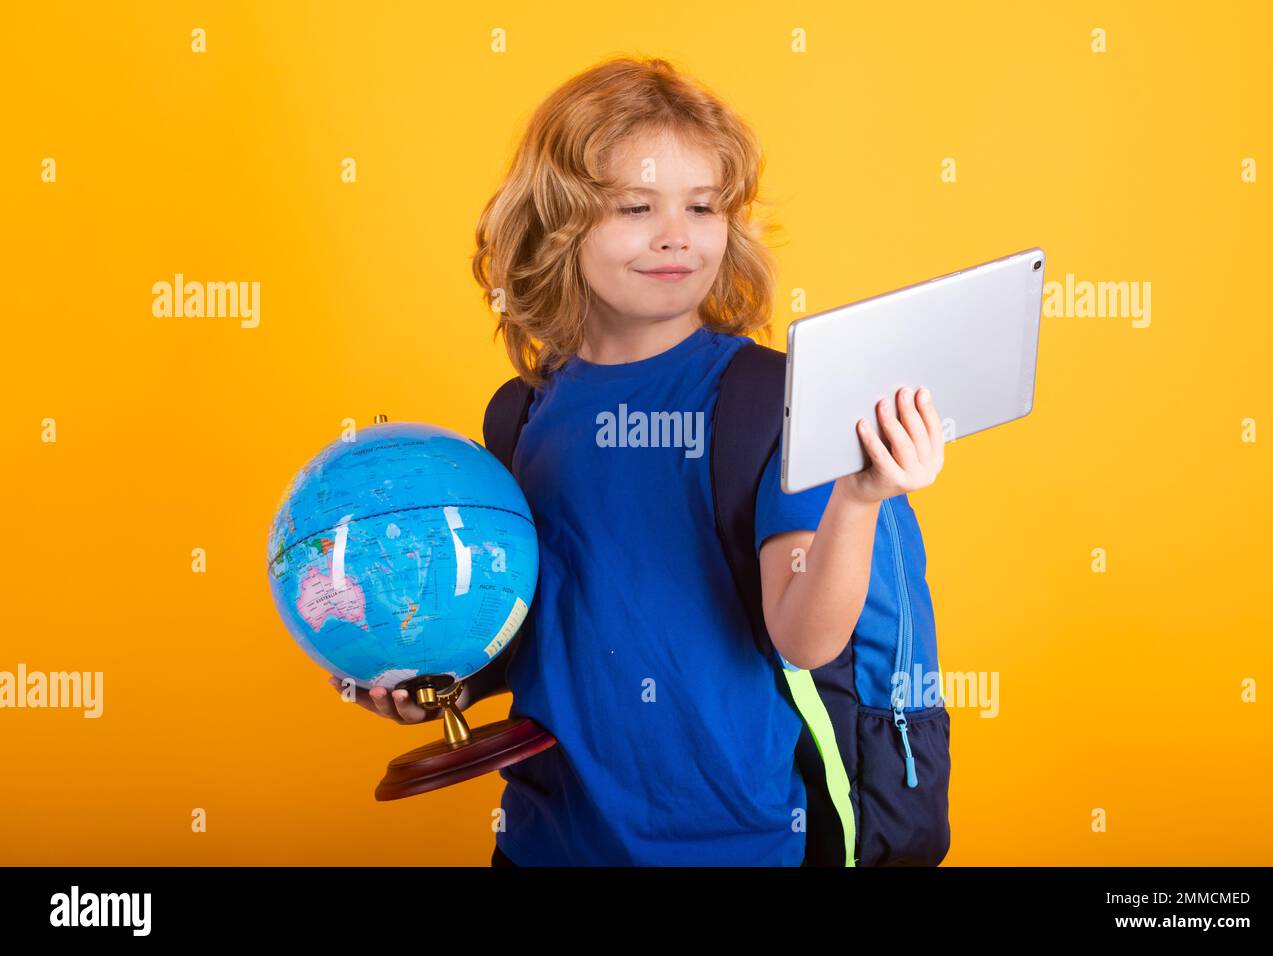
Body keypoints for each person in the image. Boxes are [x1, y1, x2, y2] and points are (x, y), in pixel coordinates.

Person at [333, 56, 945, 866]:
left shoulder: (768, 405)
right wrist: (441, 683)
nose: (676, 235)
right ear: (555, 226)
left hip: (735, 847)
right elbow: (539, 629)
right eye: (634, 206)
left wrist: (860, 500)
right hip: (542, 845)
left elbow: (805, 637)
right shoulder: (520, 415)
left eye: (703, 206)